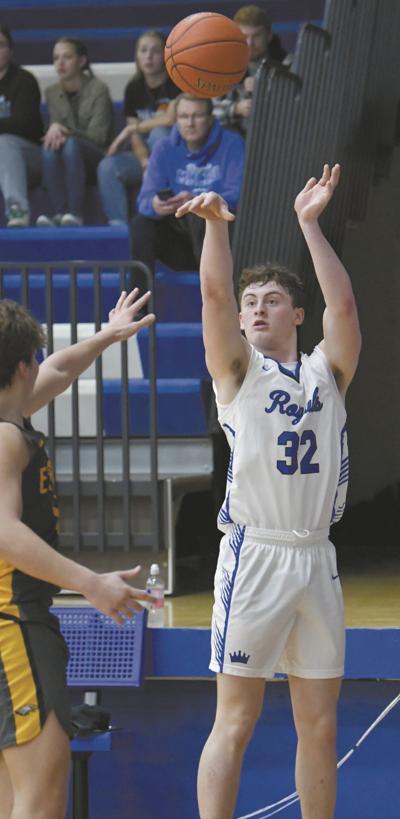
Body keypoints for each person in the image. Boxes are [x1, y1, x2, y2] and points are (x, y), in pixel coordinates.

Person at [176, 164, 361, 819]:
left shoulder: (327, 372)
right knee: (236, 719)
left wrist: (309, 224)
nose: (256, 307)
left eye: (272, 299)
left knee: (321, 725)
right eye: (251, 300)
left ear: (297, 314)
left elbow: (344, 308)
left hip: (315, 556)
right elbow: (213, 295)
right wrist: (215, 229)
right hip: (255, 554)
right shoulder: (238, 373)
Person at [0, 288, 155, 818]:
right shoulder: (6, 438)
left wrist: (107, 337)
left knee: (13, 797)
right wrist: (90, 582)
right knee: (41, 799)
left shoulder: (11, 413)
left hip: (12, 626)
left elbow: (61, 370)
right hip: (13, 626)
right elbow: (4, 532)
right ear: (23, 366)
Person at [130, 93, 245, 293]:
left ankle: (227, 296)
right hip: (180, 240)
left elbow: (238, 195)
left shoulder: (232, 143)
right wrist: (156, 205)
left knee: (205, 216)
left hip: (220, 238)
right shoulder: (164, 147)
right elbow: (145, 201)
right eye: (183, 117)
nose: (189, 123)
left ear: (210, 119)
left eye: (197, 116)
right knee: (141, 224)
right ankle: (139, 304)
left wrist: (198, 201)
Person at [97, 29, 180, 225]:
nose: (149, 56)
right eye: (143, 51)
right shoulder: (133, 88)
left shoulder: (178, 83)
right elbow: (135, 138)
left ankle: (166, 212)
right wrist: (144, 161)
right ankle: (118, 227)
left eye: (155, 51)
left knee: (159, 134)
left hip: (176, 158)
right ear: (137, 56)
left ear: (165, 56)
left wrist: (133, 128)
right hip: (147, 156)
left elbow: (170, 119)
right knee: (107, 167)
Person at [37, 37, 114, 227]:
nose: (60, 63)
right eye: (56, 58)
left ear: (81, 61)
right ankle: (60, 213)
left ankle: (75, 214)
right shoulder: (51, 92)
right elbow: (56, 135)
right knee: (49, 146)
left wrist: (65, 130)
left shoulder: (99, 89)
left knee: (70, 144)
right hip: (68, 157)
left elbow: (99, 137)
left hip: (97, 156)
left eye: (67, 57)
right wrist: (54, 130)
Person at [213, 4, 288, 136]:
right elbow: (207, 111)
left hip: (277, 137)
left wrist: (264, 88)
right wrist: (236, 108)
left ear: (269, 35)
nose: (250, 43)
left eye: (256, 36)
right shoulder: (222, 67)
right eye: (244, 36)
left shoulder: (288, 64)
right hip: (234, 141)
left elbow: (299, 110)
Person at [0, 24, 43, 227]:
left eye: (1, 45)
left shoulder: (24, 80)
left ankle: (18, 211)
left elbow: (22, 123)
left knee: (4, 143)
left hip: (30, 156)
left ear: (10, 50)